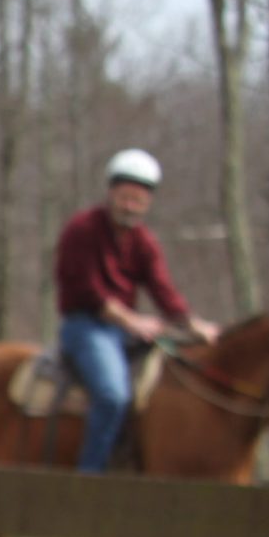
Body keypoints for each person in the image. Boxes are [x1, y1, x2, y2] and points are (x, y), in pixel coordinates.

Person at [53, 148, 219, 472]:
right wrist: (133, 322)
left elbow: (162, 289)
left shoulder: (144, 241)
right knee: (113, 395)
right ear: (111, 192)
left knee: (173, 383)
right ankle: (90, 476)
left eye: (138, 200)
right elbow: (88, 291)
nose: (130, 206)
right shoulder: (82, 229)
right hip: (86, 325)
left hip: (124, 329)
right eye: (125, 197)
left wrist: (193, 324)